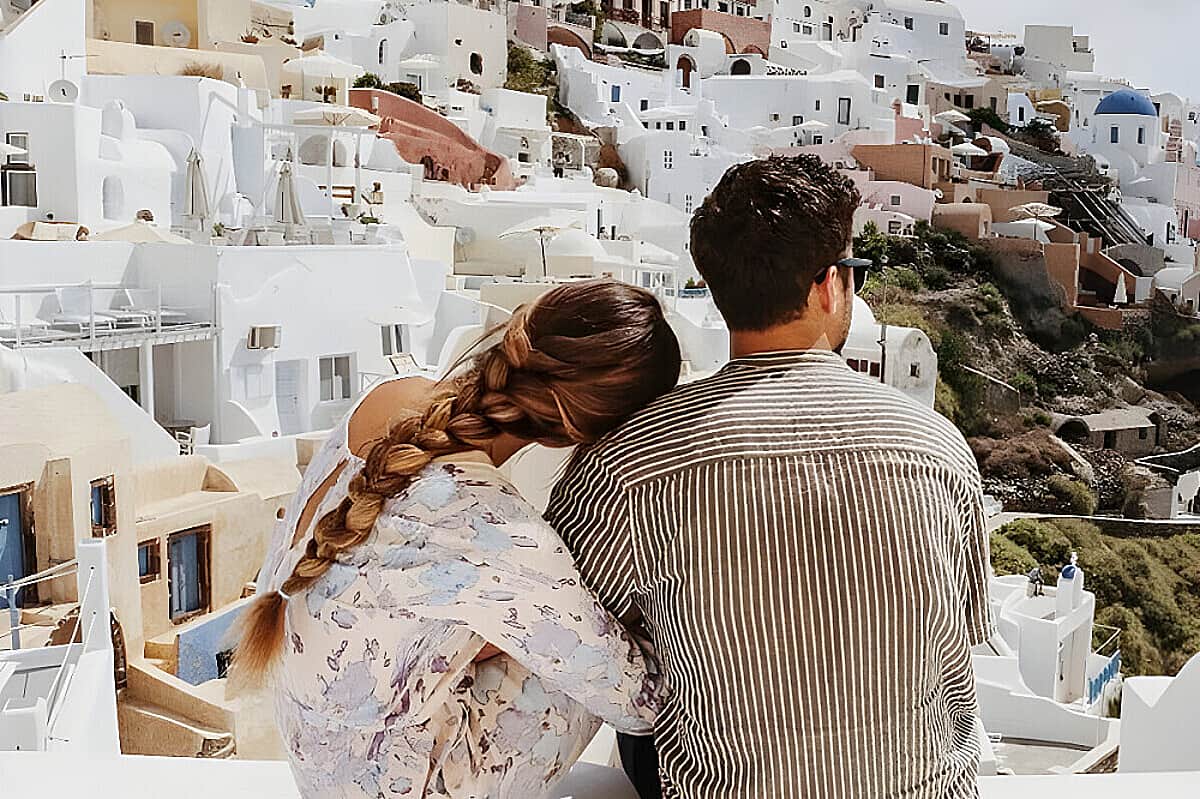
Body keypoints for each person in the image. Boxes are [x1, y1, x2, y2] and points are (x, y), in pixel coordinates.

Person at [546, 155, 994, 798]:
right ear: (826, 288)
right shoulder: (936, 449)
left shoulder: (626, 460)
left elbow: (580, 635)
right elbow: (956, 643)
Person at [236, 280, 682, 798]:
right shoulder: (493, 527)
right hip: (410, 785)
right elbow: (641, 703)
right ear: (589, 432)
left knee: (543, 627)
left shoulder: (386, 399)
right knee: (597, 636)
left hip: (320, 762)